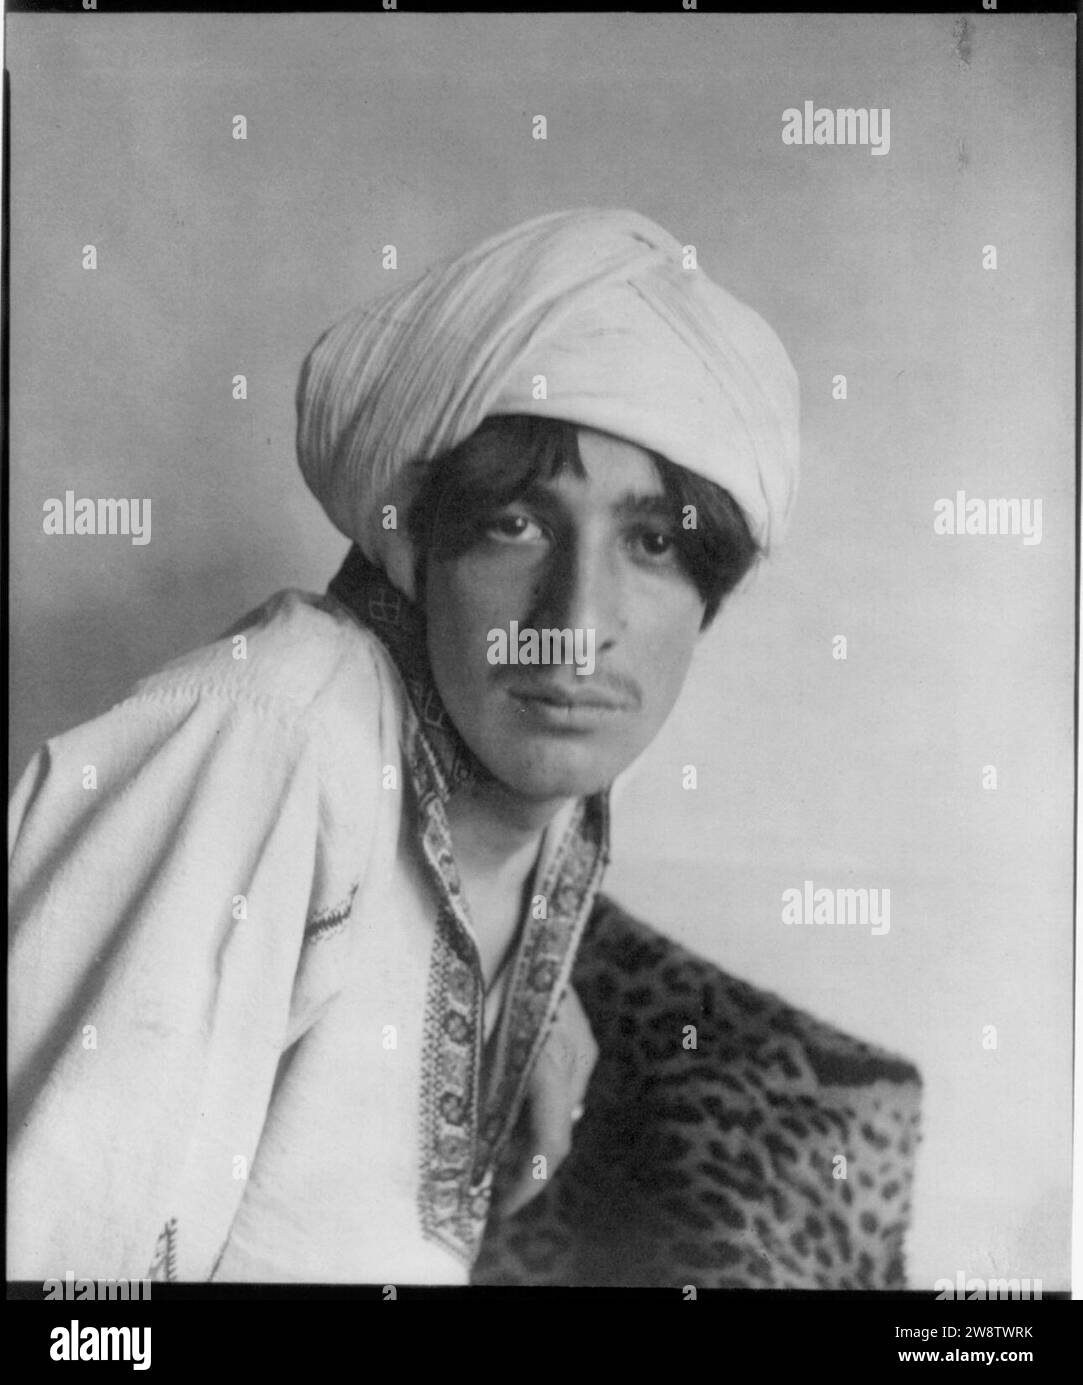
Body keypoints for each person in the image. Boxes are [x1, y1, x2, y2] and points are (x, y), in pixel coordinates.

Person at [10, 207, 916, 1289]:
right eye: (514, 524)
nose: (576, 619)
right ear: (413, 545)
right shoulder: (269, 739)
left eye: (652, 541)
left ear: (707, 588)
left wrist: (536, 995)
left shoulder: (541, 795)